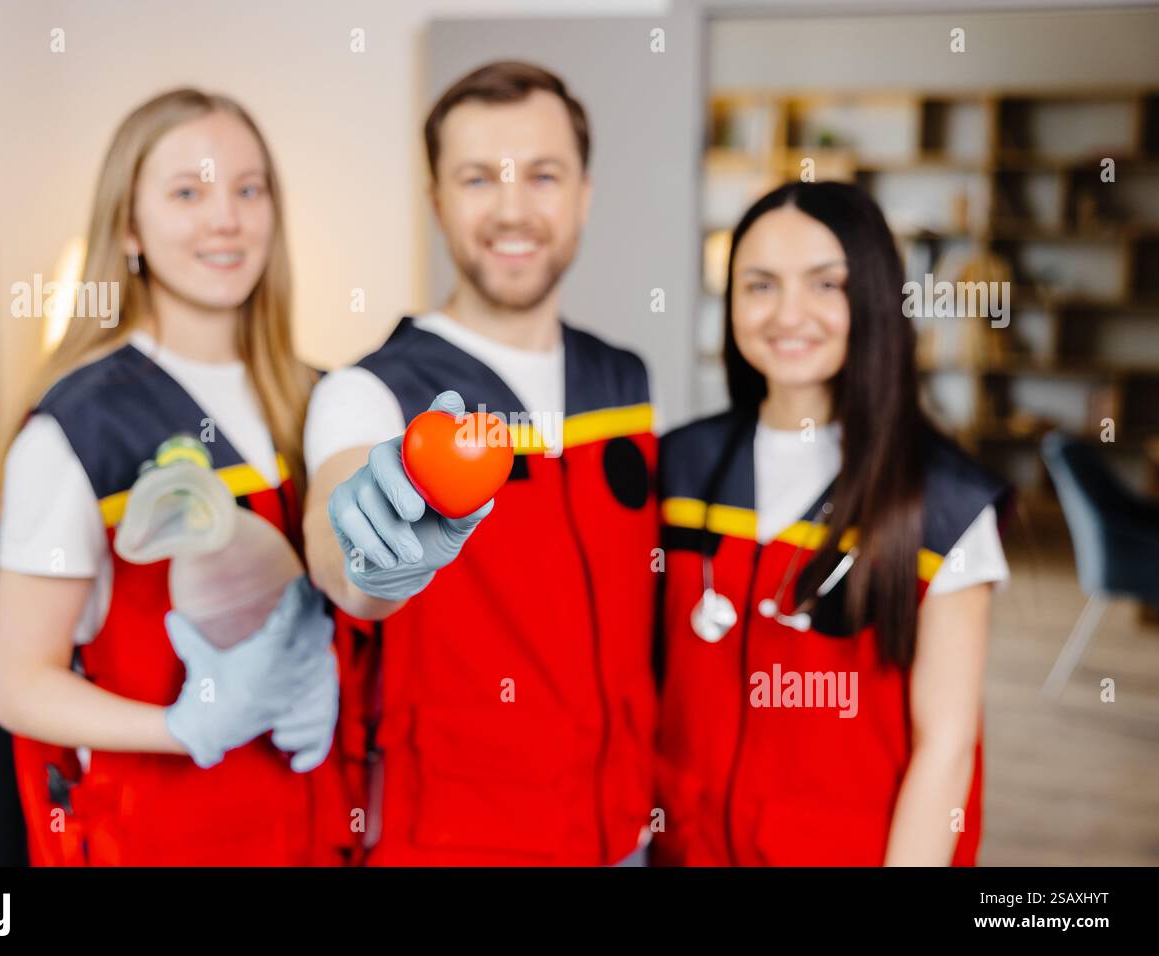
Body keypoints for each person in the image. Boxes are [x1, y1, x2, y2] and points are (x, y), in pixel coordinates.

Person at [303, 62, 658, 865]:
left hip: (627, 836)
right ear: (435, 201)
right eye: (476, 178)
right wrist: (373, 561)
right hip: (457, 844)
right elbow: (340, 559)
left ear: (583, 195)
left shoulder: (627, 382)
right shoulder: (371, 394)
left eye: (542, 175)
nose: (511, 209)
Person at [0, 89, 352, 866]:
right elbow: (18, 684)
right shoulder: (77, 430)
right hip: (160, 839)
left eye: (248, 189)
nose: (227, 218)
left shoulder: (324, 403)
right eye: (189, 192)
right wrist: (187, 728)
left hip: (315, 831)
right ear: (128, 226)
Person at [653, 181, 1011, 866]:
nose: (789, 313)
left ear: (873, 298)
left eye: (825, 285)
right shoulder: (680, 467)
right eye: (759, 285)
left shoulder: (944, 503)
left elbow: (946, 749)